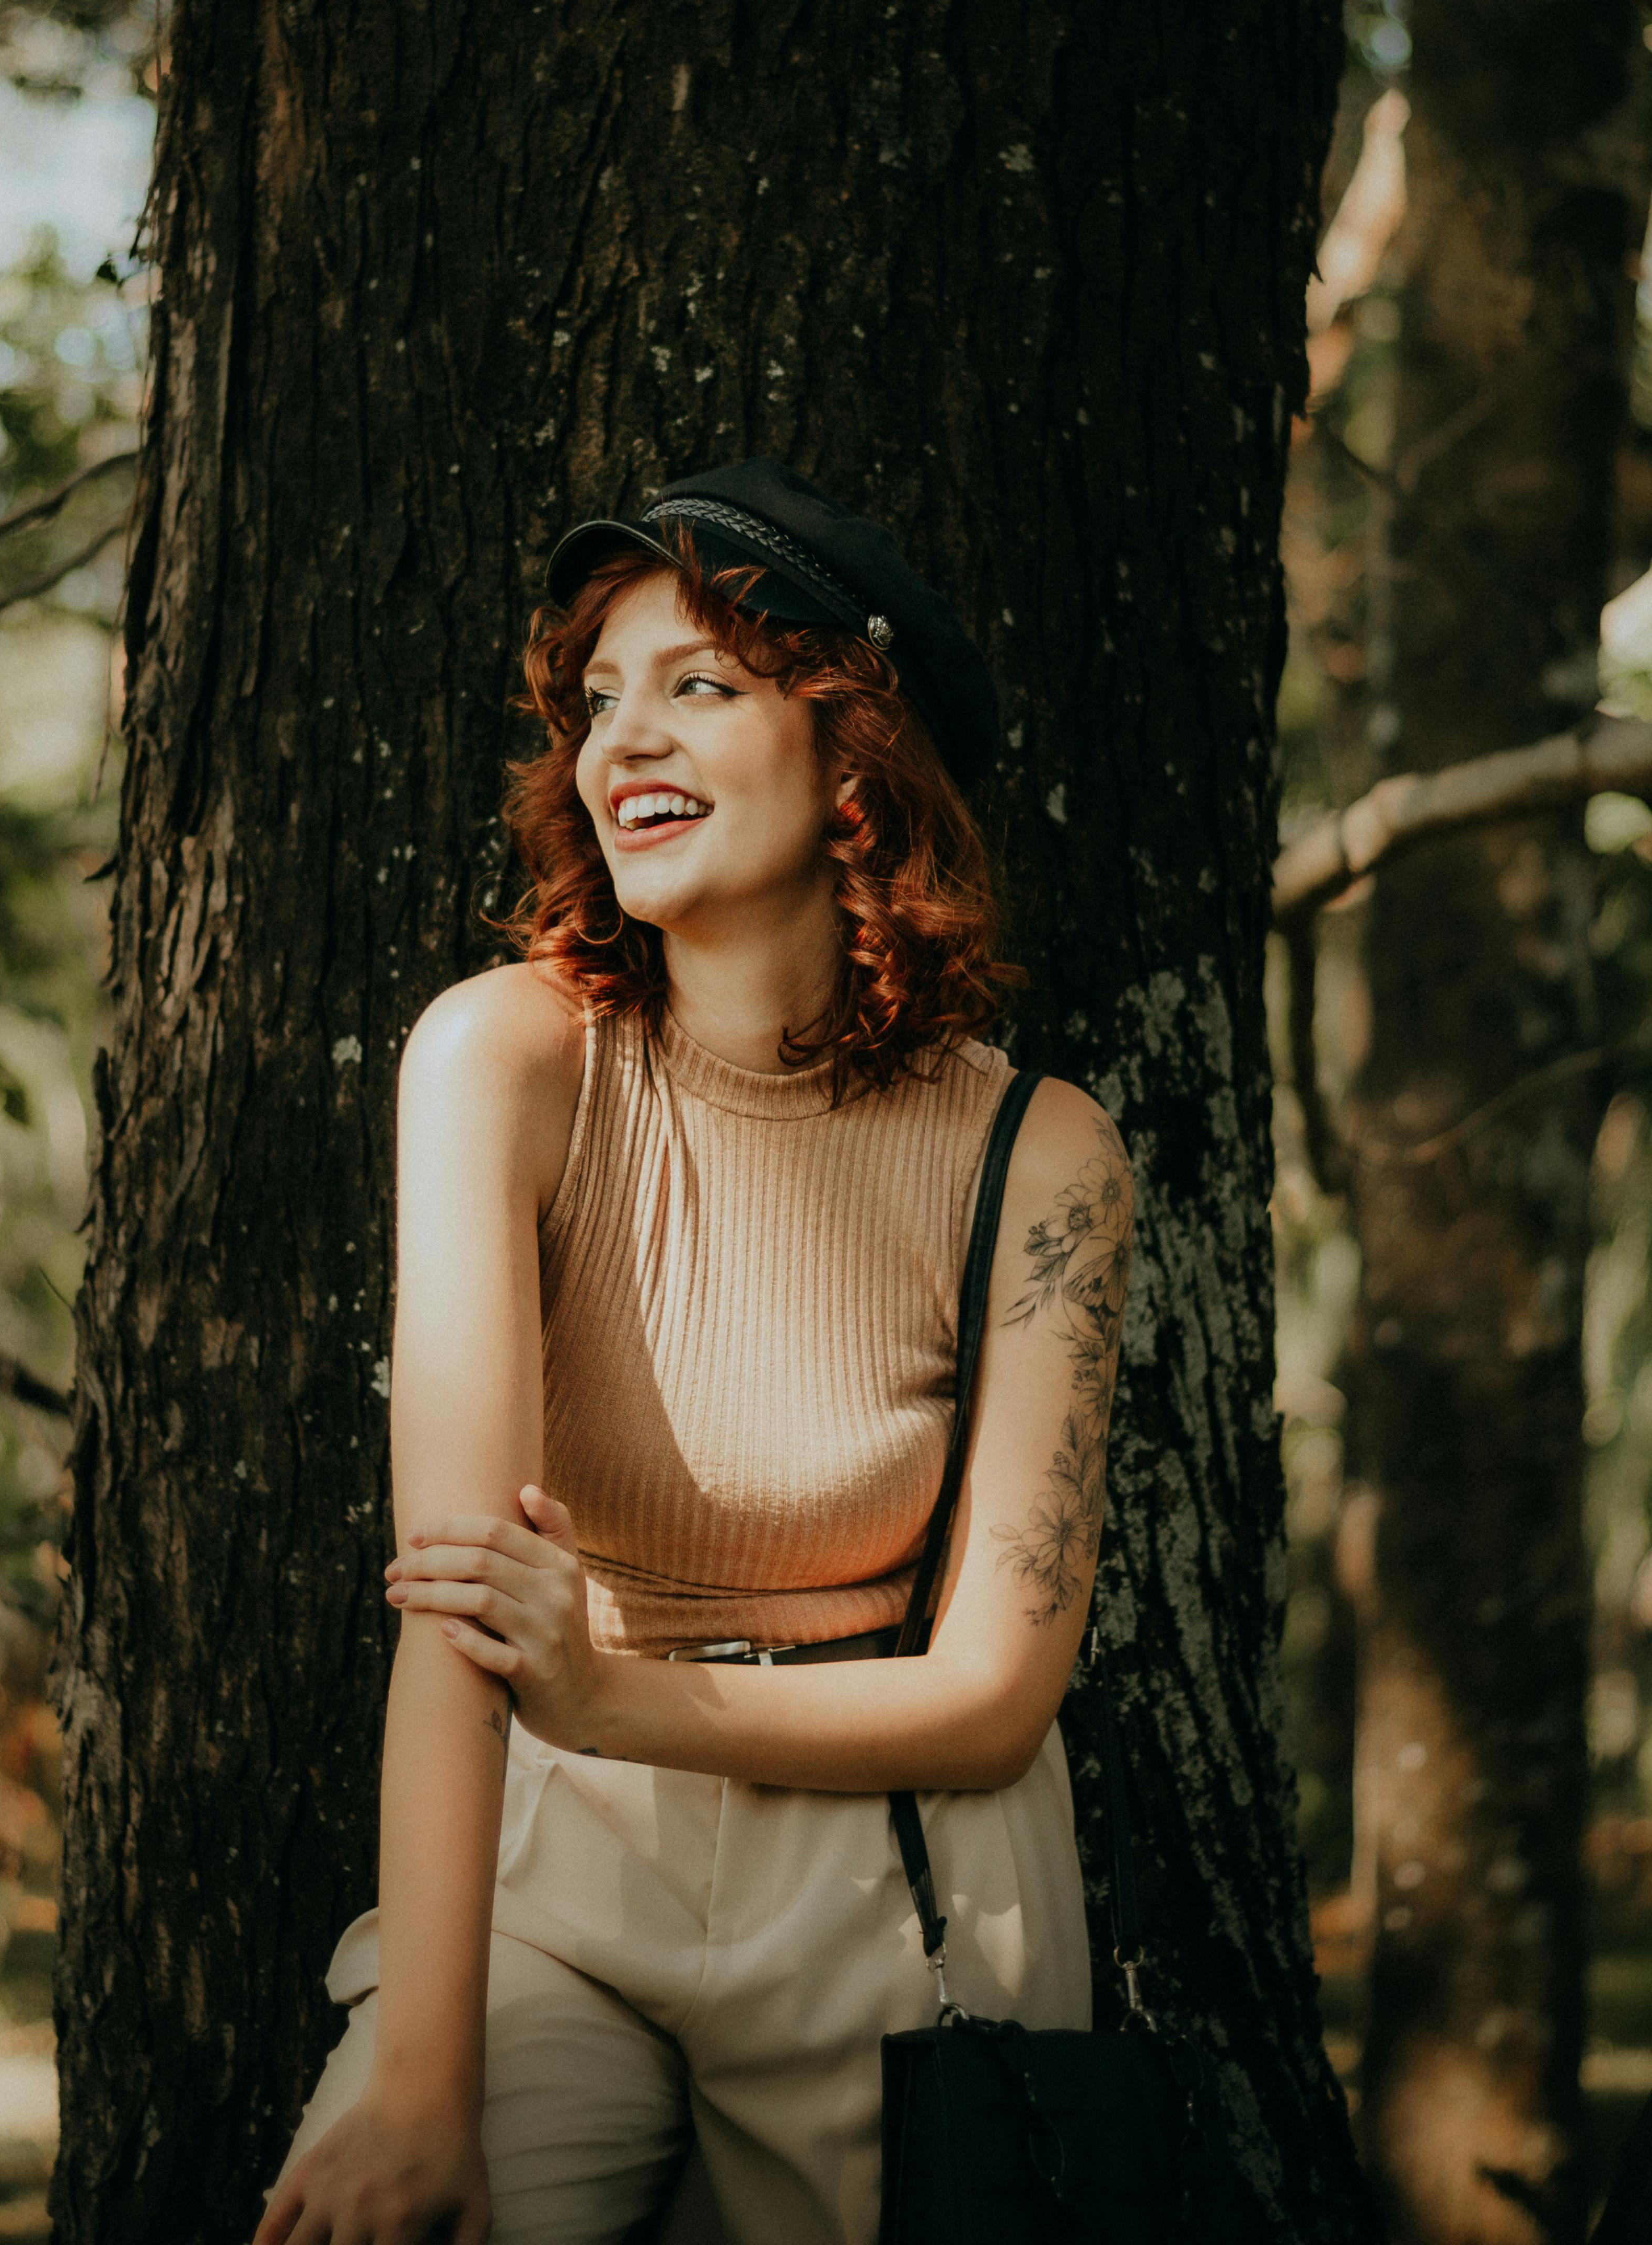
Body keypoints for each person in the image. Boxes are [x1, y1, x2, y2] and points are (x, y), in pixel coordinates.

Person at [254, 458, 1133, 2245]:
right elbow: (459, 1606)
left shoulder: (1043, 1158)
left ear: (857, 757)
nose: (619, 741)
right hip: (559, 1861)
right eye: (598, 701)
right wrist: (425, 2091)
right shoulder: (503, 1062)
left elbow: (994, 1699)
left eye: (700, 686)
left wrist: (607, 1688)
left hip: (906, 1887)